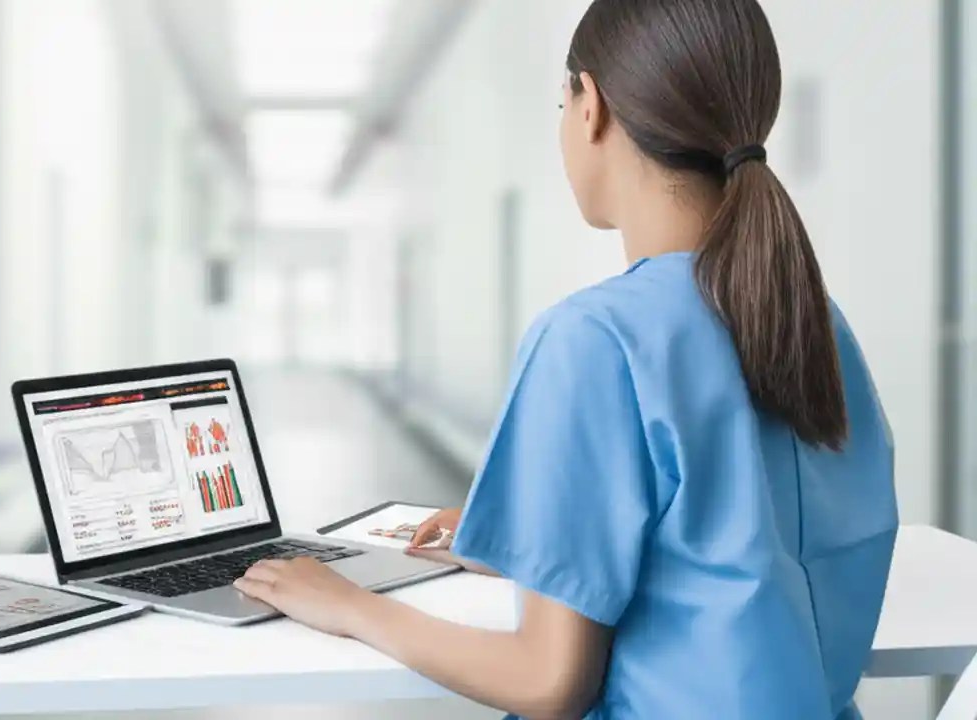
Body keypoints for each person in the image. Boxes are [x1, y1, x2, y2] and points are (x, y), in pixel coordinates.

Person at [232, 0, 897, 717]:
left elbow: (547, 682)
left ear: (592, 108)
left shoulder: (593, 337)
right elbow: (738, 552)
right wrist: (536, 533)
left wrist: (351, 606)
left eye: (562, 99)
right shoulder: (812, 320)